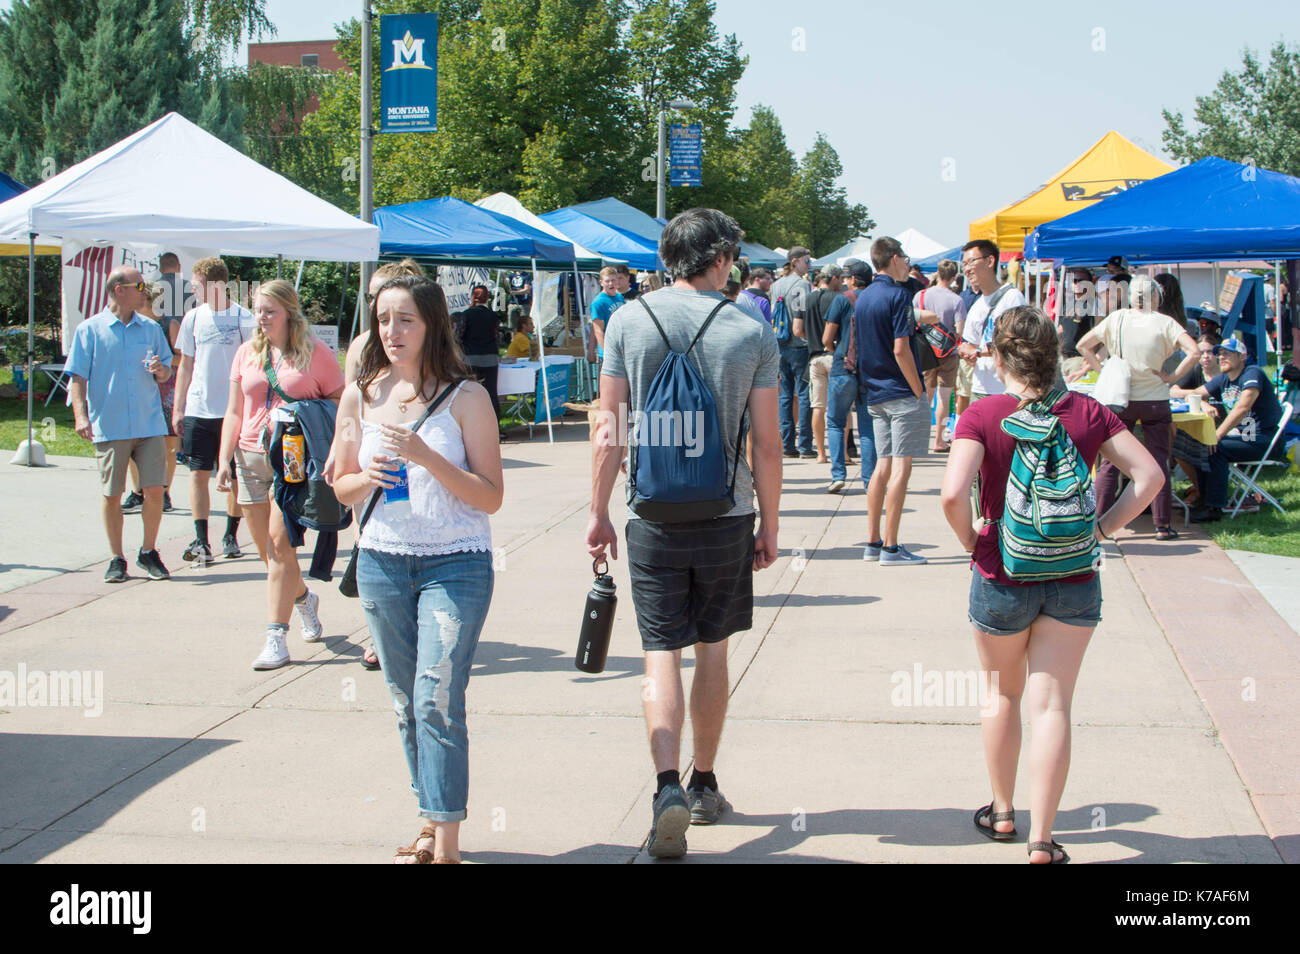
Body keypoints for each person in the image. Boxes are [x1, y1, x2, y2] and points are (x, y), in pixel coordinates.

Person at [586, 207, 781, 859]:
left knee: (660, 652)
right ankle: (704, 784)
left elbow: (607, 427)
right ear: (722, 259)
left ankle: (665, 784)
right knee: (713, 650)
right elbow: (768, 444)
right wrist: (770, 523)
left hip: (651, 516)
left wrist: (597, 511)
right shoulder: (748, 329)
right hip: (727, 516)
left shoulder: (626, 320)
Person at [941, 305, 1162, 864]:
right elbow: (1151, 476)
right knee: (1052, 706)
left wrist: (973, 539)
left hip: (1001, 572)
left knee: (1002, 696)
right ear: (1052, 352)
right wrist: (1103, 528)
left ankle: (1002, 812)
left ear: (996, 354)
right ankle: (1043, 838)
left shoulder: (983, 415)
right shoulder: (1087, 412)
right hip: (1075, 574)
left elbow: (950, 494)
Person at [332, 275, 502, 864]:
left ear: (431, 323)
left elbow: (489, 496)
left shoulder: (467, 398)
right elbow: (340, 486)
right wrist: (366, 478)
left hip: (456, 560)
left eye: (405, 319)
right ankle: (429, 824)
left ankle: (447, 844)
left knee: (437, 696)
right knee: (406, 700)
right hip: (381, 560)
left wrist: (428, 457)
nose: (392, 332)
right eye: (383, 320)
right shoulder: (360, 395)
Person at [215, 280, 345, 670]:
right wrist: (224, 458)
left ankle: (275, 636)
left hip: (290, 464)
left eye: (269, 311)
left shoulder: (316, 354)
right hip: (249, 456)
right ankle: (304, 598)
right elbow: (235, 410)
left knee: (277, 544)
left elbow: (341, 404)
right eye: (258, 310)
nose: (261, 318)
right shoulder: (245, 353)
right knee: (269, 553)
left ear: (289, 312)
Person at [336, 259, 427, 672]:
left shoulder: (426, 344)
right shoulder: (361, 345)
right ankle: (377, 629)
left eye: (379, 295)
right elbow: (347, 407)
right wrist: (338, 454)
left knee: (414, 530)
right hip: (371, 453)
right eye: (372, 298)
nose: (373, 302)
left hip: (413, 453)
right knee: (369, 533)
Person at [65, 266, 174, 583]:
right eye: (140, 285)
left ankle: (148, 551)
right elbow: (78, 378)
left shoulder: (151, 329)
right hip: (110, 425)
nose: (146, 291)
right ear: (119, 290)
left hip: (149, 423)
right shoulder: (90, 330)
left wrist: (160, 370)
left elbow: (166, 370)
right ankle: (116, 558)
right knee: (113, 495)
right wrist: (80, 416)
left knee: (155, 491)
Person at [1072, 275, 1198, 540]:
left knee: (1110, 463)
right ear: (1156, 296)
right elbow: (1194, 352)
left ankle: (1098, 521)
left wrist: (1102, 370)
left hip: (1121, 399)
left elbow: (1083, 345)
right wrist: (1172, 377)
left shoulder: (1117, 318)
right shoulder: (1166, 323)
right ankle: (1162, 524)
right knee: (1158, 460)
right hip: (1155, 399)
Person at [172, 256, 254, 563]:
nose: (192, 289)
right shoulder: (193, 318)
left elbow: (253, 363)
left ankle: (231, 535)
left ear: (215, 285)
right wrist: (178, 407)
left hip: (233, 410)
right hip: (199, 408)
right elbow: (186, 365)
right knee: (197, 474)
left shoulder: (243, 318)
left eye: (196, 284)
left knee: (233, 476)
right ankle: (200, 539)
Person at [856, 237, 933, 565]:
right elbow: (902, 349)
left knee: (882, 467)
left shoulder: (864, 297)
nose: (908, 265)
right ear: (895, 258)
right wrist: (919, 391)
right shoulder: (899, 296)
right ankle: (890, 545)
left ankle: (873, 542)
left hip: (875, 391)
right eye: (905, 259)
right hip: (901, 390)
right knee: (901, 466)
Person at [1184, 336, 1287, 522]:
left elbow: (1242, 408)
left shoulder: (1252, 373)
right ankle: (1204, 499)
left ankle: (1214, 508)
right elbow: (1193, 393)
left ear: (1242, 356)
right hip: (1245, 438)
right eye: (1220, 354)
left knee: (1215, 448)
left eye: (1228, 354)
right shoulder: (1224, 379)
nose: (1221, 358)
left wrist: (1218, 434)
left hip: (1264, 439)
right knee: (1201, 445)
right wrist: (1203, 403)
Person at [122, 279, 181, 514]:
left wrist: (162, 360)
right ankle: (138, 491)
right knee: (134, 443)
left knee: (168, 447)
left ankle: (165, 491)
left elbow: (184, 358)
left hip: (167, 390)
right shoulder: (131, 324)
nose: (138, 304)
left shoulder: (169, 324)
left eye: (142, 300)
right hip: (141, 389)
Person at [958, 239, 1028, 403]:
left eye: (971, 262)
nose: (967, 269)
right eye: (964, 265)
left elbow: (1017, 341)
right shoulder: (976, 306)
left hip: (1006, 389)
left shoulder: (1012, 298)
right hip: (979, 386)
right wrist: (966, 352)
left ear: (990, 261)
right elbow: (972, 344)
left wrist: (978, 352)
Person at [914, 259, 967, 452]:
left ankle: (919, 437)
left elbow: (913, 320)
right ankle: (939, 440)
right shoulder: (957, 300)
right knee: (944, 397)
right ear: (953, 277)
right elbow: (959, 331)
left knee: (924, 396)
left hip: (924, 351)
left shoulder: (920, 295)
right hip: (947, 353)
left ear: (937, 273)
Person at [821, 265, 862, 492]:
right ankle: (870, 477)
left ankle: (838, 474)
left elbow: (827, 337)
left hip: (842, 366)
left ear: (853, 279)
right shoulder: (876, 298)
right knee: (867, 426)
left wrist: (832, 346)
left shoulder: (842, 299)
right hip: (868, 370)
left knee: (836, 422)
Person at [771, 246, 814, 458]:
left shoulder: (776, 285)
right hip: (800, 344)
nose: (809, 265)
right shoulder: (802, 285)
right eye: (807, 261)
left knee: (785, 395)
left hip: (780, 344)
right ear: (795, 261)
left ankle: (787, 443)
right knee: (804, 394)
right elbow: (801, 319)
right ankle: (805, 444)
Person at [806, 264, 844, 463]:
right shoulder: (838, 298)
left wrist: (812, 338)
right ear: (834, 278)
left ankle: (821, 453)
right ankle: (843, 453)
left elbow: (798, 329)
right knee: (841, 407)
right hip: (834, 354)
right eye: (839, 278)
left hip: (814, 357)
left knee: (818, 407)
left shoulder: (809, 298)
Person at [458, 285, 502, 421]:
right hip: (490, 356)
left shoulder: (466, 314)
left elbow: (459, 334)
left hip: (471, 357)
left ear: (473, 296)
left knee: (467, 391)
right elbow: (497, 337)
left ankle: (469, 421)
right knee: (491, 393)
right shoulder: (493, 316)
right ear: (487, 298)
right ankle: (496, 425)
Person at [1057, 268, 1095, 380]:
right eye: (1075, 280)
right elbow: (1061, 330)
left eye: (1081, 280)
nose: (1077, 283)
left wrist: (1089, 362)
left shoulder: (1093, 306)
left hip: (1079, 360)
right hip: (1063, 359)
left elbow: (1097, 335)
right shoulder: (1069, 305)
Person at [590, 266, 624, 368]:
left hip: (621, 350)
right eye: (607, 281)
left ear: (617, 281)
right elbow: (597, 330)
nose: (610, 284)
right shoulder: (598, 302)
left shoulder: (620, 297)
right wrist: (608, 353)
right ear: (601, 282)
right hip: (607, 354)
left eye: (613, 280)